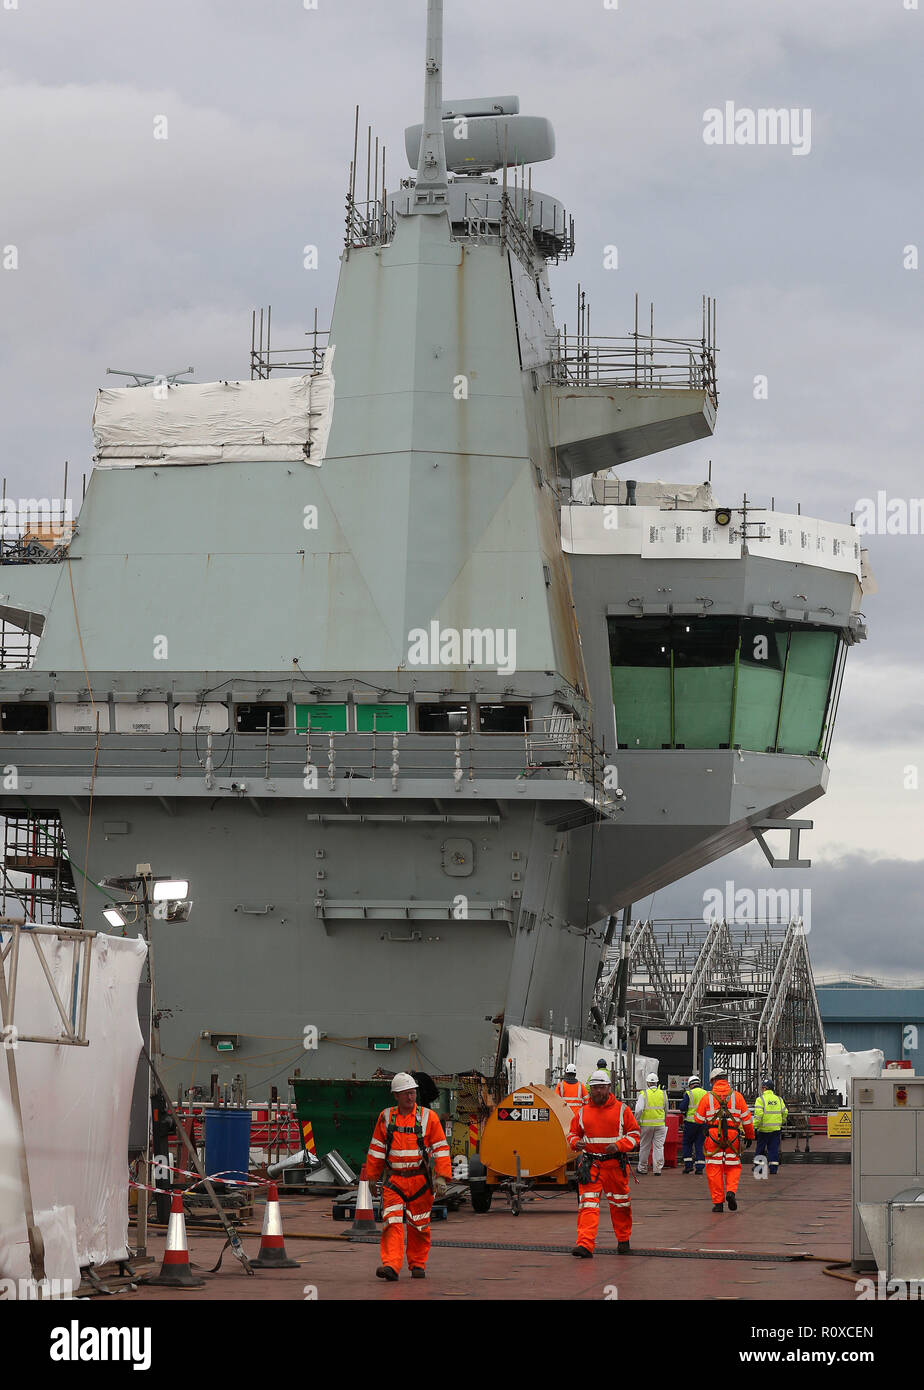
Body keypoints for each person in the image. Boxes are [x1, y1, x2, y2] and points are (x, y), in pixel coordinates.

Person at [365, 1072, 451, 1280]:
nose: (410, 1097)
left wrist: (442, 1177)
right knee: (392, 1223)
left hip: (420, 1181)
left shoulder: (428, 1117)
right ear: (396, 1095)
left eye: (412, 1093)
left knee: (419, 1224)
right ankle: (391, 1266)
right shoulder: (385, 1118)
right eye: (405, 1094)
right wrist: (372, 1178)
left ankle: (418, 1264)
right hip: (394, 1180)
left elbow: (440, 1148)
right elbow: (377, 1149)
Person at [568, 1069, 640, 1257]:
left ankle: (623, 1240)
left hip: (615, 1166)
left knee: (621, 1205)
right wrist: (576, 1143)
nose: (598, 1091)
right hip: (591, 1166)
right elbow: (572, 1134)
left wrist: (619, 1145)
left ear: (609, 1088)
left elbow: (634, 1134)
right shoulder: (582, 1112)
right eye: (594, 1088)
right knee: (588, 1205)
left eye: (601, 1087)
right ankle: (585, 1245)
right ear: (589, 1090)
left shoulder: (622, 1110)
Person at [694, 1066, 754, 1212]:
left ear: (713, 1080)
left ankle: (718, 1203)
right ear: (726, 1079)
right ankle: (731, 1192)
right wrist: (750, 1136)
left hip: (713, 1136)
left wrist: (705, 1127)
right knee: (733, 1166)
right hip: (733, 1136)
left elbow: (698, 1119)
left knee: (714, 1168)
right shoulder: (737, 1097)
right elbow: (747, 1120)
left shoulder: (707, 1097)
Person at [634, 1071, 667, 1175]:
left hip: (646, 1125)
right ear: (657, 1083)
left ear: (647, 1083)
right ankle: (657, 1169)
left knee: (644, 1146)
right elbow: (666, 1110)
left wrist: (636, 1121)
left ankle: (642, 1168)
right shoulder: (663, 1093)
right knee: (659, 1147)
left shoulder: (643, 1094)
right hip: (660, 1125)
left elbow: (639, 1110)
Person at [753, 1077, 788, 1175]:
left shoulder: (760, 1100)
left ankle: (759, 1169)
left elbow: (758, 1115)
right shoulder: (779, 1099)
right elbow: (785, 1112)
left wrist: (754, 1126)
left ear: (764, 1088)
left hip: (764, 1130)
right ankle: (773, 1169)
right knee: (773, 1150)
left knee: (760, 1149)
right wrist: (780, 1122)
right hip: (776, 1129)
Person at [680, 1073, 707, 1175]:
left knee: (687, 1144)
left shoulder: (689, 1093)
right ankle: (699, 1168)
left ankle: (688, 1166)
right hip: (703, 1123)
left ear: (691, 1084)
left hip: (690, 1123)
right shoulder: (706, 1093)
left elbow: (682, 1107)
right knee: (700, 1145)